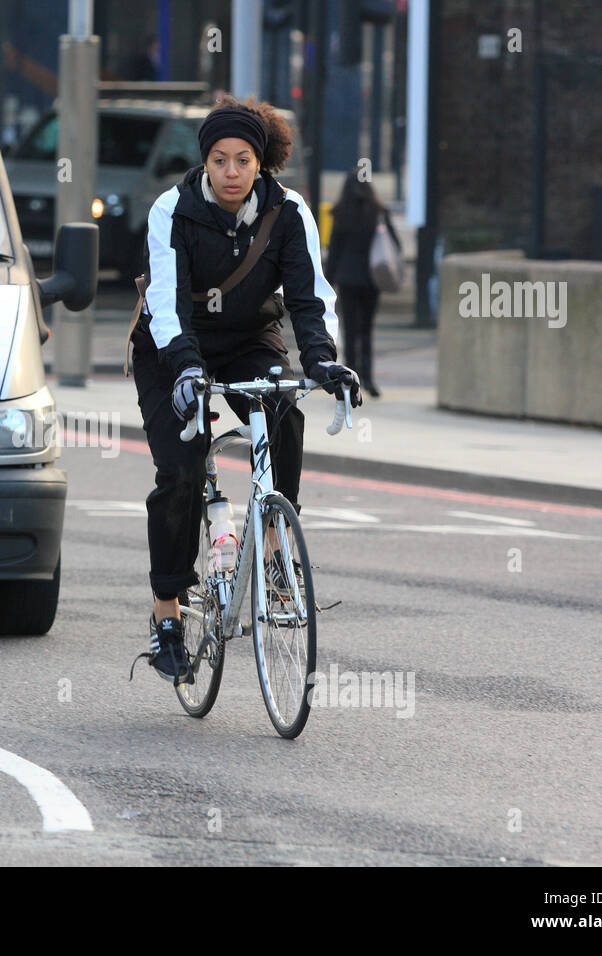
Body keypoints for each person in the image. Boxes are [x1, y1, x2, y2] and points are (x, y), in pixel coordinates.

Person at [128, 96, 361, 684]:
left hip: (249, 338)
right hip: (170, 347)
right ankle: (165, 615)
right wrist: (184, 368)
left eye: (243, 160)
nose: (231, 172)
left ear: (261, 163)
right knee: (181, 468)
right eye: (219, 160)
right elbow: (166, 302)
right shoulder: (172, 210)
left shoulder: (288, 212)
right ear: (204, 162)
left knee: (284, 409)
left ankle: (276, 547)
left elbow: (310, 300)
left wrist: (324, 361)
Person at [325, 170, 400, 398]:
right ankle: (368, 378)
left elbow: (334, 251)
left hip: (347, 278)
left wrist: (328, 282)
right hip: (371, 278)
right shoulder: (378, 213)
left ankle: (349, 377)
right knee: (366, 330)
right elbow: (394, 243)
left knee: (349, 328)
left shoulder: (340, 214)